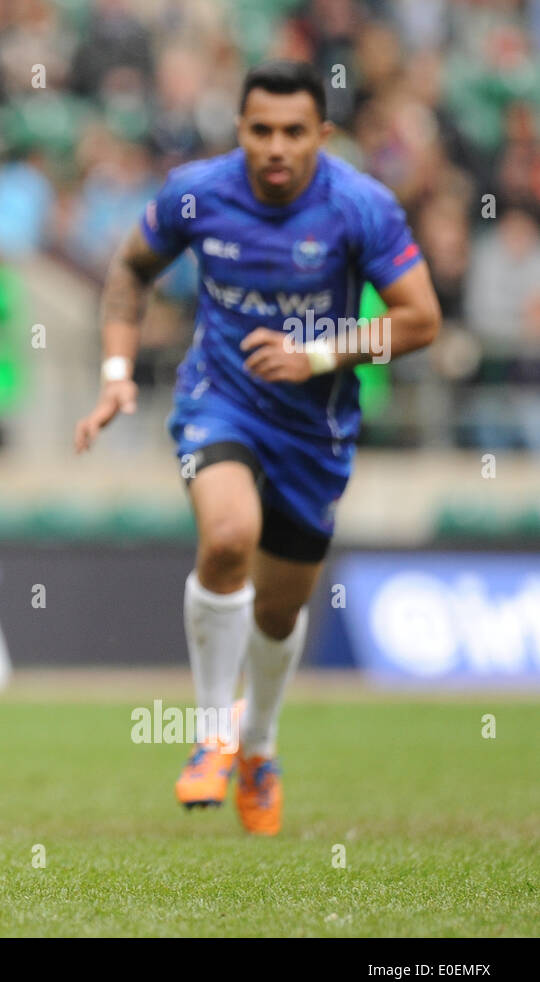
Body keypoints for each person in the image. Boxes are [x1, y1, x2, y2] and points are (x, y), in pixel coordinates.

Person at [74, 61, 441, 835]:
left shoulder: (361, 206)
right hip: (221, 400)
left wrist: (317, 355)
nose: (276, 147)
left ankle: (259, 746)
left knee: (278, 613)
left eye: (293, 132)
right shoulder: (195, 194)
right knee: (228, 536)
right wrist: (115, 373)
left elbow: (420, 320)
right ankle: (213, 734)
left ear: (322, 135)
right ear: (239, 130)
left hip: (315, 428)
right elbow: (132, 269)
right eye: (261, 130)